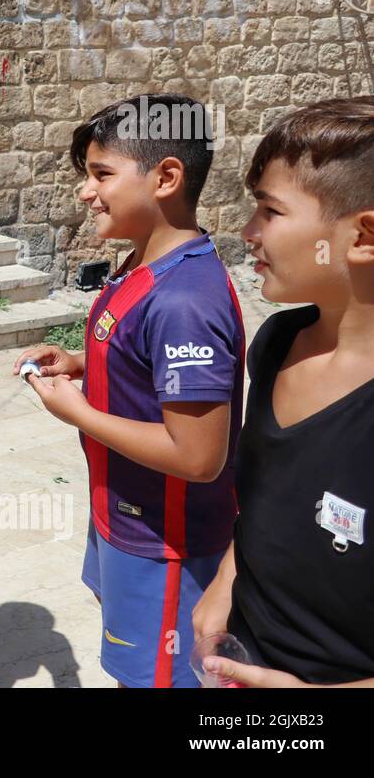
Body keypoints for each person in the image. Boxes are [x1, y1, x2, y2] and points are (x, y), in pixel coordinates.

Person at [14, 93, 245, 688]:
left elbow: (197, 455)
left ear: (166, 177)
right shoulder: (142, 264)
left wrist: (80, 414)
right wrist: (80, 363)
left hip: (167, 542)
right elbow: (144, 368)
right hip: (122, 513)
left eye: (101, 174)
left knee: (159, 679)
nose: (86, 192)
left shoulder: (185, 300)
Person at [193, 97, 374, 688]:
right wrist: (226, 578)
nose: (247, 231)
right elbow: (268, 503)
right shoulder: (278, 342)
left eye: (270, 211)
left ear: (364, 234)